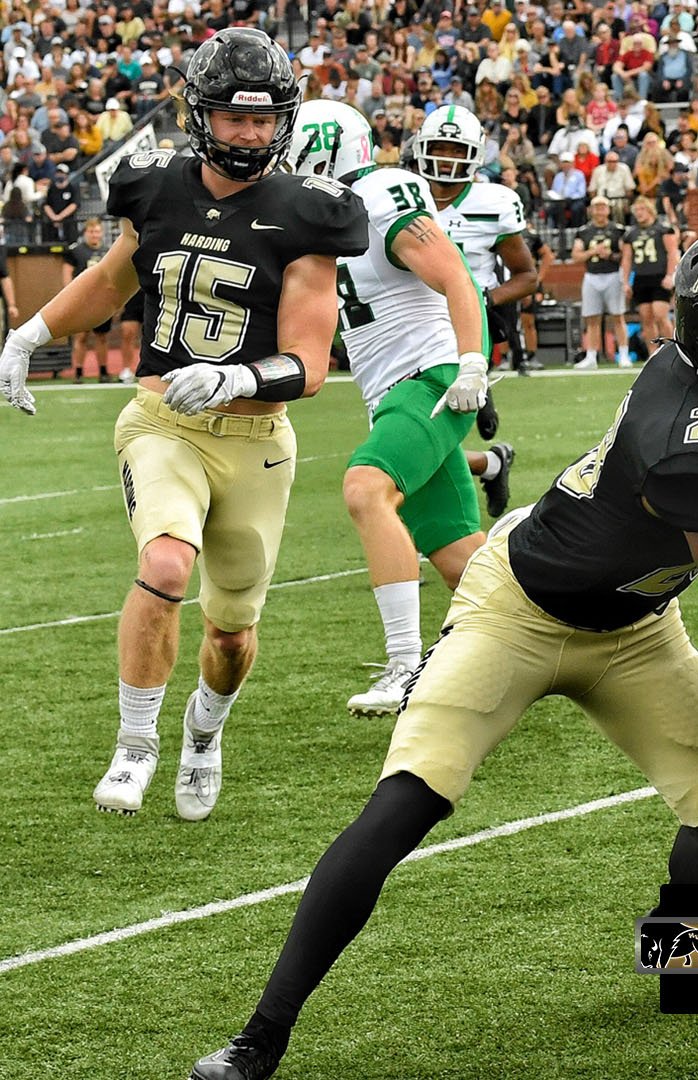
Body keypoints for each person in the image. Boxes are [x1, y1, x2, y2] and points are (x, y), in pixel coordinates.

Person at [186, 223, 698, 1080]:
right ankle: (261, 1036)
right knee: (408, 802)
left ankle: (683, 961)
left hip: (633, 629)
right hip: (519, 610)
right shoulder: (692, 442)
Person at [0, 28, 368, 821]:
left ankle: (205, 729)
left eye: (265, 120)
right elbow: (109, 281)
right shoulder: (154, 186)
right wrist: (30, 335)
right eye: (234, 120)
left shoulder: (310, 212)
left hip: (258, 438)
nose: (251, 135)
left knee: (232, 633)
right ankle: (135, 747)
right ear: (199, 116)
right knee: (166, 566)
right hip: (163, 419)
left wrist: (239, 374)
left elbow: (309, 361)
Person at [284, 100, 506, 717]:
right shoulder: (318, 222)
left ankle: (407, 665)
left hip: (431, 374)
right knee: (462, 557)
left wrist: (471, 363)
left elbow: (456, 277)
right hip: (393, 392)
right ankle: (561, 644)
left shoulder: (382, 192)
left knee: (366, 488)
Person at [414, 106, 541, 383]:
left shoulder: (495, 202)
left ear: (474, 154)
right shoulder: (405, 196)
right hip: (411, 320)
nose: (446, 158)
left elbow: (527, 277)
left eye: (457, 150)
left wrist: (484, 299)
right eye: (440, 147)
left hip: (466, 324)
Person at [573, 196, 630, 368]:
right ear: (591, 210)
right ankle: (591, 356)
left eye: (602, 207)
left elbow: (626, 255)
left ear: (608, 209)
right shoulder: (583, 231)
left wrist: (610, 255)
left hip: (613, 274)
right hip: (591, 275)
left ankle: (624, 355)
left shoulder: (617, 230)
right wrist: (593, 252)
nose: (599, 211)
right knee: (592, 318)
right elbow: (576, 256)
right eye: (596, 207)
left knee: (618, 316)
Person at [624, 196, 679, 358]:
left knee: (661, 314)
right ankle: (652, 353)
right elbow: (626, 260)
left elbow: (672, 253)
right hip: (641, 277)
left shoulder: (663, 229)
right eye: (636, 211)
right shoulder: (631, 234)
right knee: (646, 318)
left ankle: (671, 350)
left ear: (650, 210)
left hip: (659, 276)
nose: (639, 214)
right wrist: (626, 282)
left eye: (642, 210)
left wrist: (670, 275)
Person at [61, 218, 115, 382]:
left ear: (102, 233)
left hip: (102, 302)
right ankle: (78, 372)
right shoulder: (76, 251)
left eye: (97, 231)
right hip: (82, 301)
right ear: (85, 233)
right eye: (91, 231)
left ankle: (103, 371)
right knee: (81, 337)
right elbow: (66, 275)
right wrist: (71, 298)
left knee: (102, 337)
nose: (94, 235)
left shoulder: (108, 252)